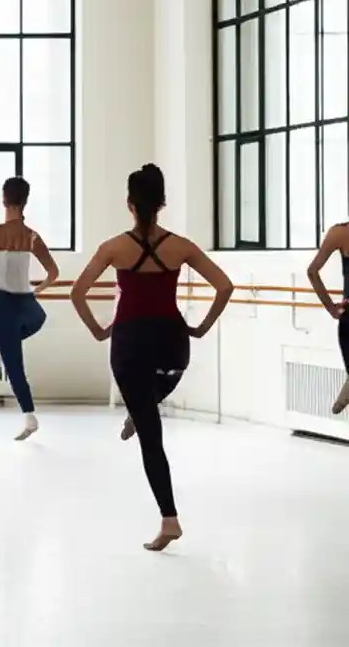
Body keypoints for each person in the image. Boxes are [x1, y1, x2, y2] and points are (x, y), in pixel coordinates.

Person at [70, 164, 233, 551]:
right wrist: (202, 327)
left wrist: (98, 330)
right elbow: (224, 285)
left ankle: (170, 520)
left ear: (130, 204)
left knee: (151, 436)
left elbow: (78, 292)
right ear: (162, 203)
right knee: (150, 405)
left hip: (129, 343)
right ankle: (141, 409)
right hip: (173, 342)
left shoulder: (114, 247)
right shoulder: (182, 247)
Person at [0, 177, 60, 440]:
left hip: (3, 304)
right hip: (26, 303)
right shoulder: (31, 237)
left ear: (3, 200)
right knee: (30, 329)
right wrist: (37, 290)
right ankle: (4, 348)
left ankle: (29, 416)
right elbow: (53, 273)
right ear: (25, 202)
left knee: (13, 365)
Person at [306, 220, 349, 413]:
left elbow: (312, 271)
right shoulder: (340, 232)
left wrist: (331, 308)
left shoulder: (340, 232)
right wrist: (331, 308)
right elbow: (312, 272)